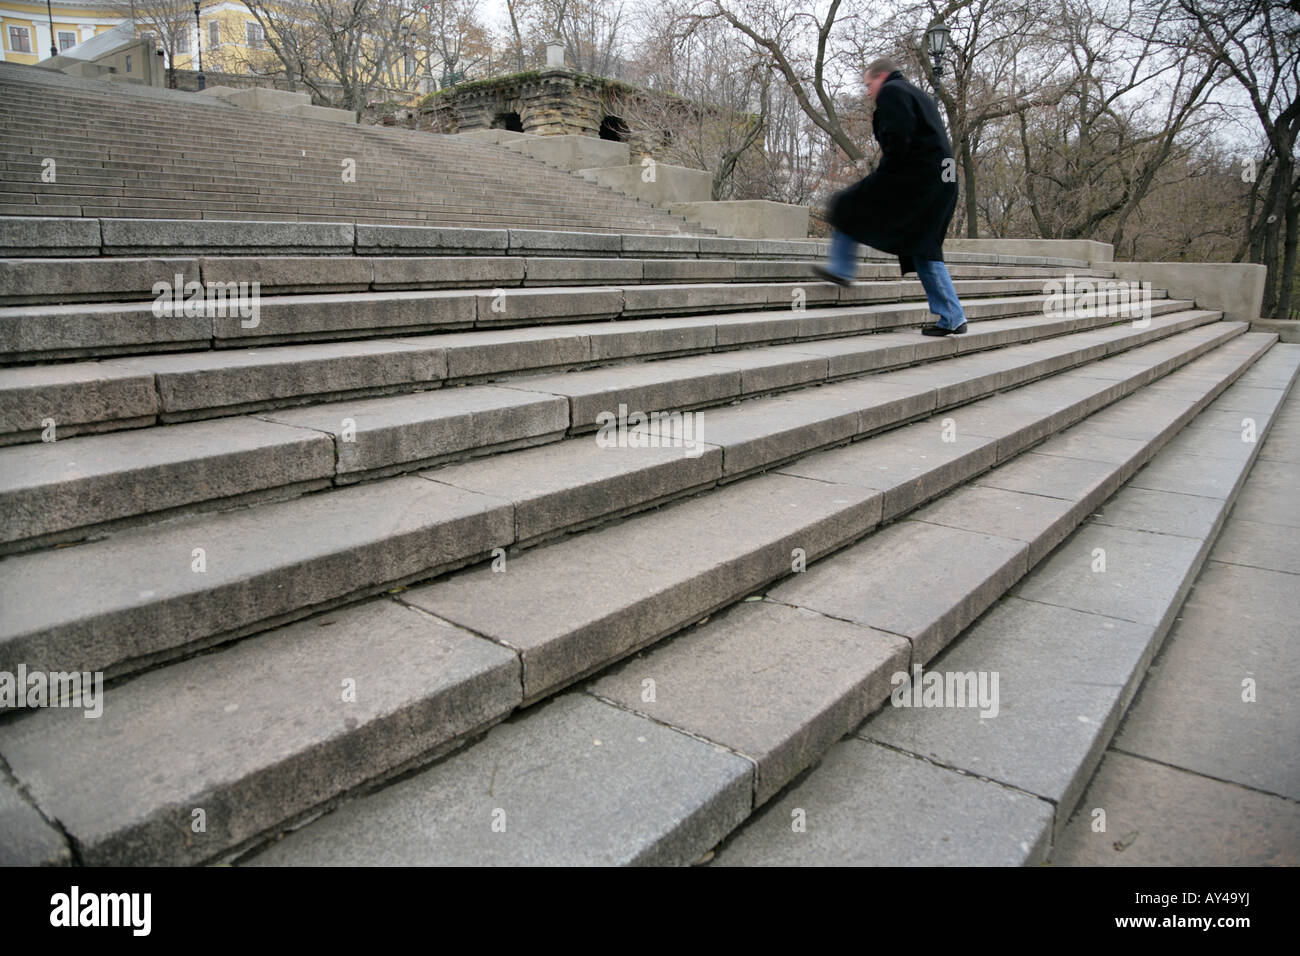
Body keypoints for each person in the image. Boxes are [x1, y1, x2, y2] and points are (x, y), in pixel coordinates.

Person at [814, 58, 968, 336]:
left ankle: (840, 268)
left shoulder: (893, 91)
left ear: (881, 76)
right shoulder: (916, 93)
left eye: (869, 84)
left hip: (920, 180)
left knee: (846, 203)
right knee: (924, 247)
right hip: (942, 181)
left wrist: (885, 175)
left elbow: (898, 137)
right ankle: (952, 316)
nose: (868, 91)